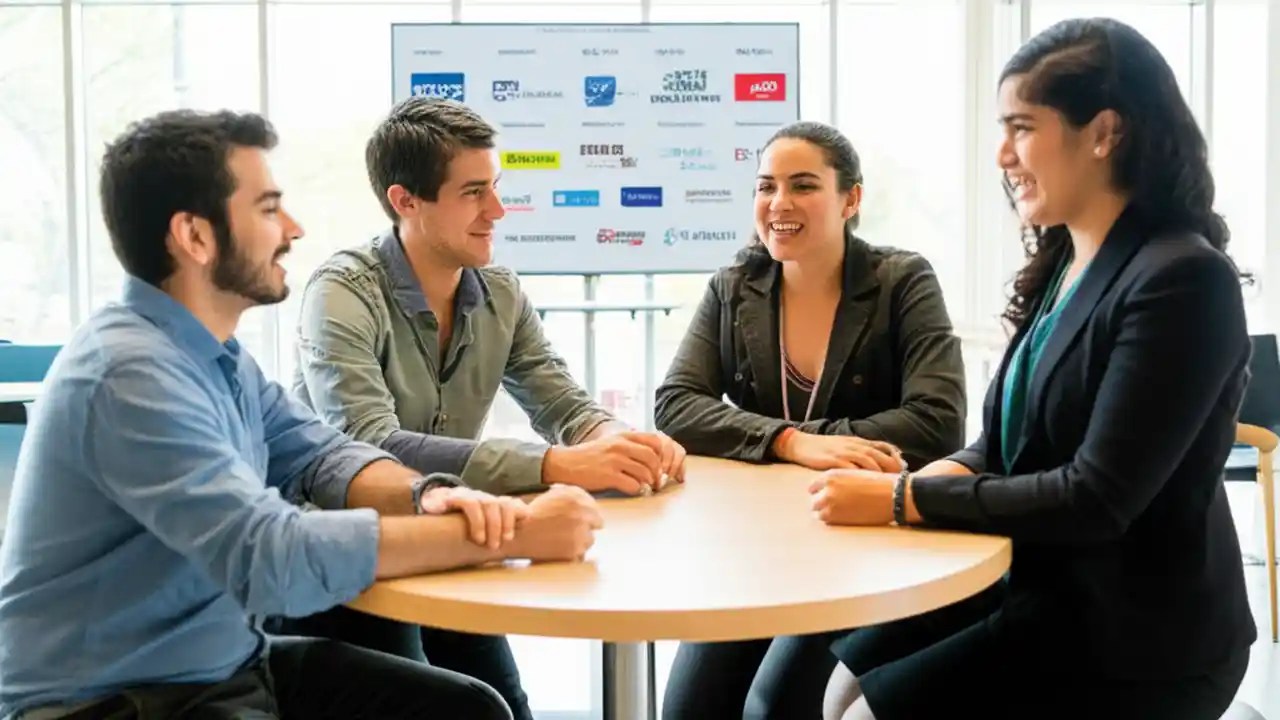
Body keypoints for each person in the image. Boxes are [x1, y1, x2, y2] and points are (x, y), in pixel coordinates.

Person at [0, 108, 604, 720]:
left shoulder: (216, 355)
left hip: (224, 663)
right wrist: (514, 533)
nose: (292, 228)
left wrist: (428, 495)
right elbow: (269, 557)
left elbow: (321, 453)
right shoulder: (127, 374)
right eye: (267, 209)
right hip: (117, 699)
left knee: (471, 708)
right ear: (196, 237)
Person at [814, 18, 1256, 720]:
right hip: (1043, 588)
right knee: (834, 685)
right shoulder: (1065, 262)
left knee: (860, 711)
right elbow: (1002, 445)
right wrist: (908, 486)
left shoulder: (1182, 279)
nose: (1001, 154)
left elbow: (1096, 498)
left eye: (1021, 127)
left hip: (1134, 636)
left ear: (1104, 132)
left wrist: (902, 502)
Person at [283, 96, 685, 719]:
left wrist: (618, 440)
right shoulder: (340, 292)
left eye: (495, 187)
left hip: (456, 533)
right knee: (456, 706)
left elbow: (563, 403)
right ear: (405, 201)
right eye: (473, 193)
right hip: (350, 560)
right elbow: (368, 448)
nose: (497, 210)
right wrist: (556, 467)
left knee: (507, 707)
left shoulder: (500, 289)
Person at [653, 121, 971, 719]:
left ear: (851, 199)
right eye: (765, 186)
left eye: (803, 186)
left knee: (772, 708)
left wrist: (807, 443)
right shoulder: (734, 287)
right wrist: (791, 442)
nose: (779, 204)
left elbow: (936, 422)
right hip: (756, 544)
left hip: (863, 543)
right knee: (690, 710)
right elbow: (675, 405)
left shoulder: (901, 281)